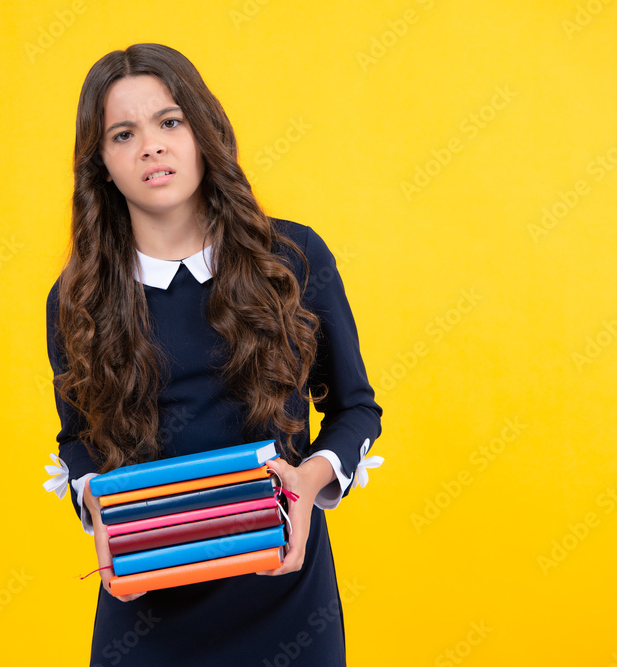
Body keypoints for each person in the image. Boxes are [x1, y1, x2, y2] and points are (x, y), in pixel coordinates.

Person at [43, 43, 383, 666]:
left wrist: (309, 482)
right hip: (146, 610)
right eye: (123, 134)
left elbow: (356, 409)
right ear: (103, 167)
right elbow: (76, 440)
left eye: (169, 122)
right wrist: (93, 499)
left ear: (203, 132)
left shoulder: (295, 260)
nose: (151, 146)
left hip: (286, 599)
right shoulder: (76, 300)